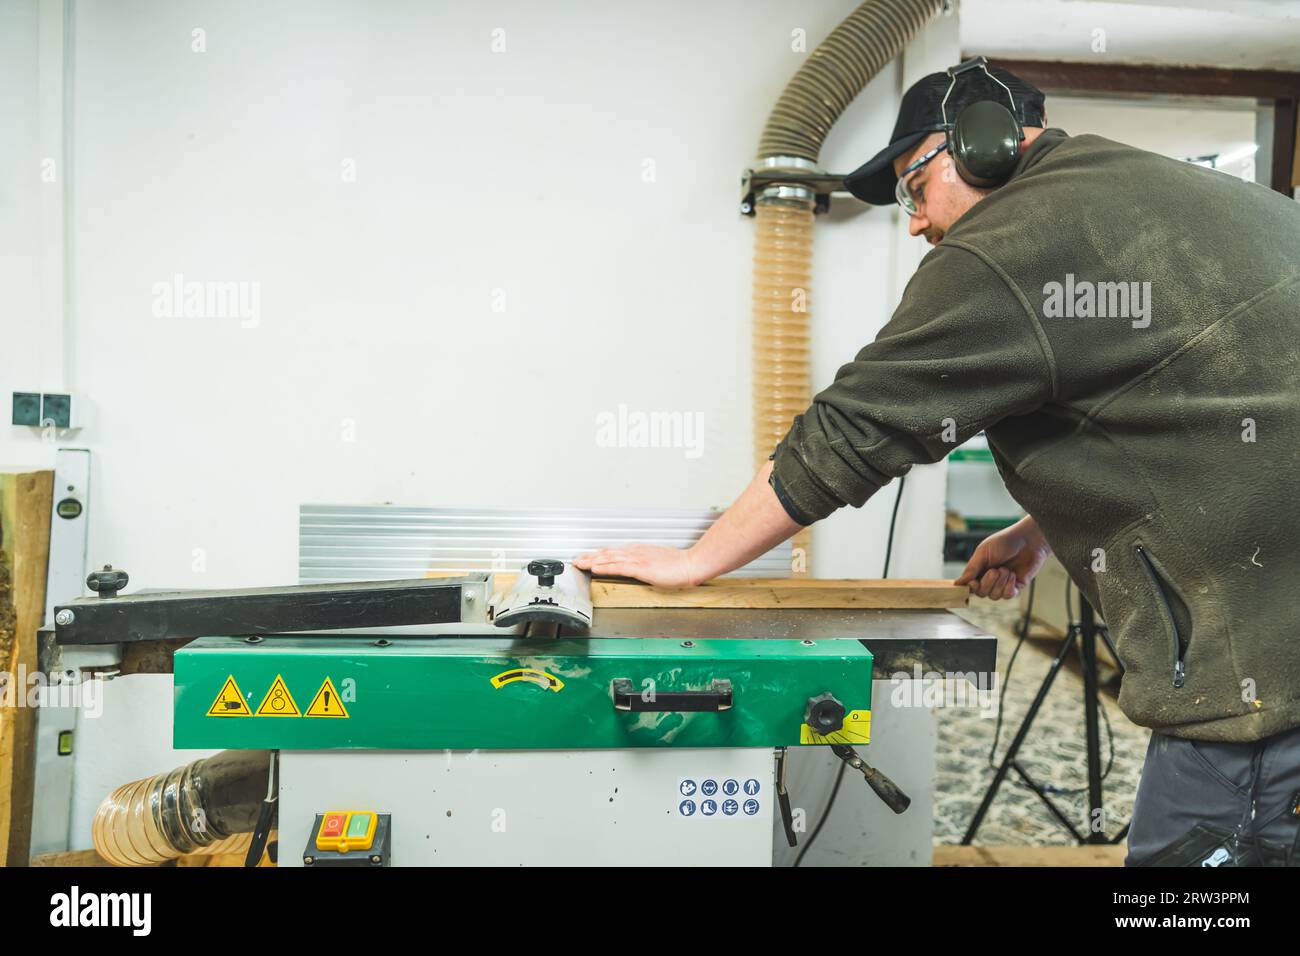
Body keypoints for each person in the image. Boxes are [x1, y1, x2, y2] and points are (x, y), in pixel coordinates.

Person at [575, 60, 1300, 866]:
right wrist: (1040, 529)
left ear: (979, 144)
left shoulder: (1009, 241)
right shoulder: (1177, 194)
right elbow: (1195, 401)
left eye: (913, 189)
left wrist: (697, 561)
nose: (915, 223)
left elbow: (851, 429)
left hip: (1264, 685)